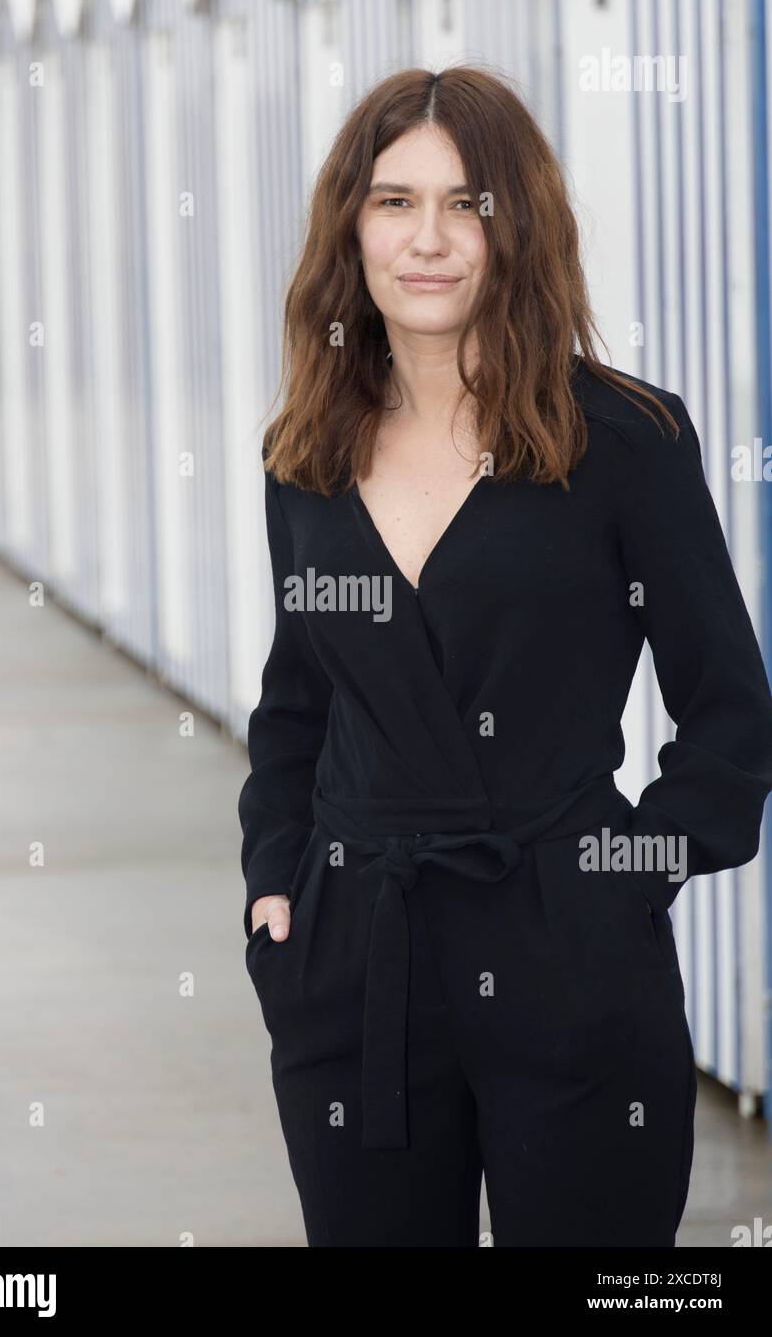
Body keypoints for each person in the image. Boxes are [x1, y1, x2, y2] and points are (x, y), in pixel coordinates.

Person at [237, 65, 772, 1247]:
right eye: (394, 202)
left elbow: (733, 716)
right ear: (352, 227)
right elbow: (298, 705)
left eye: (467, 204)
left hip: (568, 963)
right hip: (355, 969)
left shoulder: (624, 440)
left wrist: (618, 882)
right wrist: (278, 884)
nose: (429, 239)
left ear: (516, 226)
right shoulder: (305, 451)